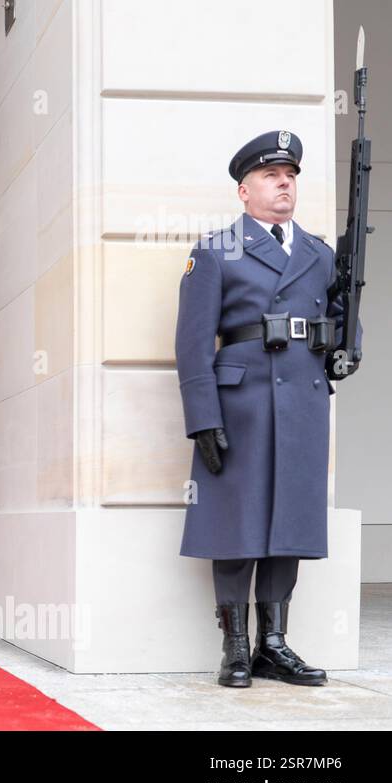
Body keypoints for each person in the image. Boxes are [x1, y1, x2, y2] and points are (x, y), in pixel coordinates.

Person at [175, 130, 361, 688]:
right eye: (271, 176)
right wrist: (202, 416)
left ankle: (272, 645)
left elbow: (341, 317)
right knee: (236, 521)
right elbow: (191, 342)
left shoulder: (318, 252)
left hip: (302, 399)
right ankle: (234, 646)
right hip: (243, 401)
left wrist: (351, 349)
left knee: (290, 522)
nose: (285, 183)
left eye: (291, 176)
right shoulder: (215, 250)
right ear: (244, 190)